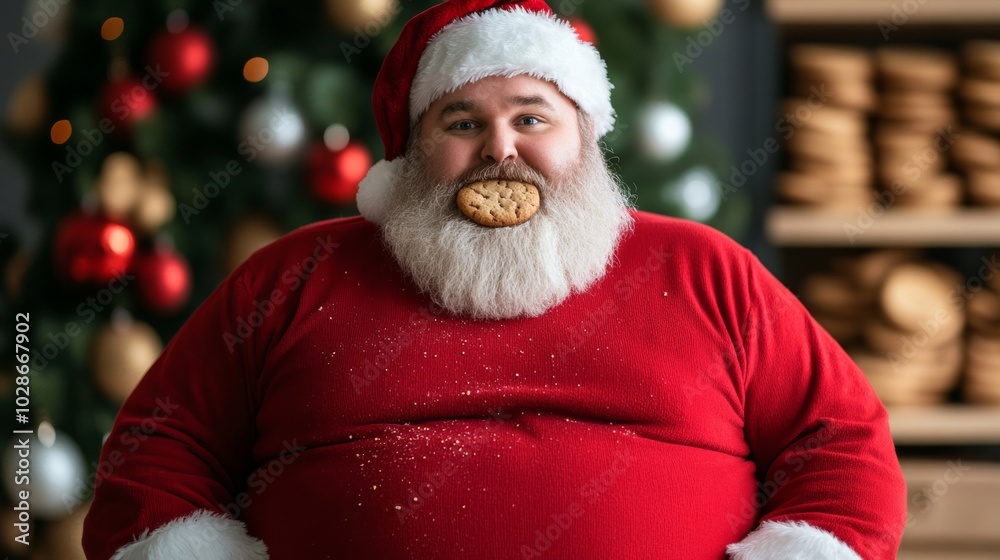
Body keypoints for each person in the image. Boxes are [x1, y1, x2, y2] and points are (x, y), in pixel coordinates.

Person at [82, 1, 907, 558]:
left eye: (531, 116)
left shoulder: (702, 269)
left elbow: (841, 442)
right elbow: (158, 450)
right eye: (463, 122)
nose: (500, 151)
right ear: (412, 149)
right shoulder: (293, 278)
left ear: (582, 137)